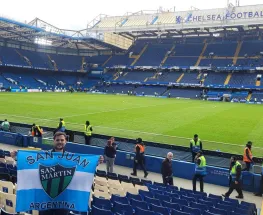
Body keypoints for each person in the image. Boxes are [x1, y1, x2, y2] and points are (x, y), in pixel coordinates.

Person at [11, 132, 104, 215]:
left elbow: (82, 170)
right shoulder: (43, 156)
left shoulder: (72, 158)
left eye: (62, 140)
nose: (60, 142)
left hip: (63, 200)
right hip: (45, 200)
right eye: (57, 140)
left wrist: (95, 163)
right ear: (53, 141)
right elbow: (29, 166)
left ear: (66, 142)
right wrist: (16, 158)